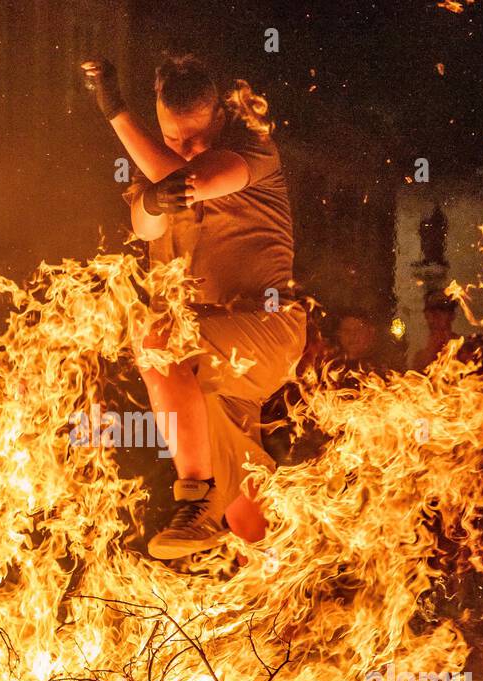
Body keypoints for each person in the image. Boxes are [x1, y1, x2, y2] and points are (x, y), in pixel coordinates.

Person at [81, 53, 303, 559]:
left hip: (265, 331)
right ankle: (294, 586)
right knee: (247, 503)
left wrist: (116, 111)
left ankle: (194, 494)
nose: (184, 148)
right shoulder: (152, 170)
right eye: (173, 138)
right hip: (212, 368)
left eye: (196, 138)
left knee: (156, 336)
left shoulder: (251, 149)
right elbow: (146, 220)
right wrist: (153, 202)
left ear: (219, 120)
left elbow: (188, 183)